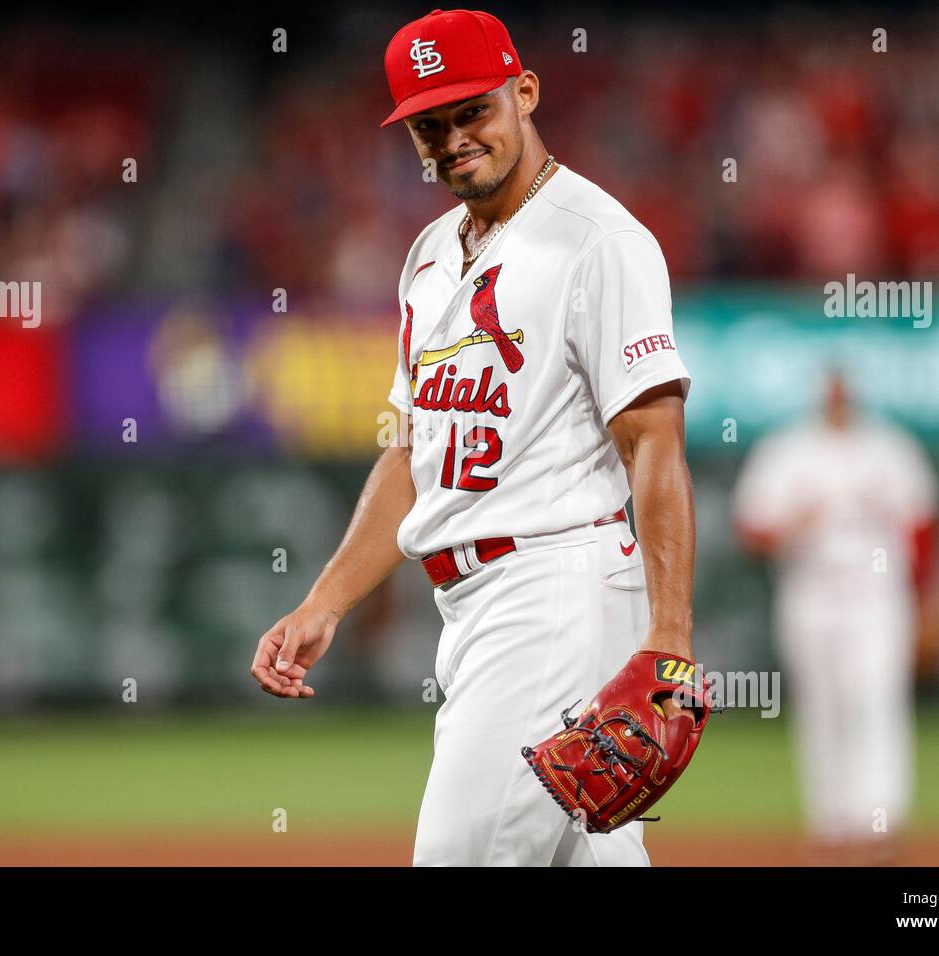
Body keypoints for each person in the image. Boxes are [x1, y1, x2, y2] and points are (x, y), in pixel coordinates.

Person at [251, 8, 699, 866]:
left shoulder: (599, 241)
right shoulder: (428, 255)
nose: (452, 138)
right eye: (429, 124)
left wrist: (670, 641)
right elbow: (410, 451)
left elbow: (654, 443)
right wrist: (325, 602)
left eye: (471, 111)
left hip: (554, 592)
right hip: (472, 606)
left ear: (525, 92)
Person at [732, 369, 939, 865]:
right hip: (809, 594)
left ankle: (880, 819)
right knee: (820, 706)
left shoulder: (887, 447)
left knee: (876, 698)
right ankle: (831, 823)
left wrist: (931, 596)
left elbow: (922, 525)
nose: (837, 399)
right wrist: (791, 526)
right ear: (821, 396)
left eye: (844, 391)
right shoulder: (788, 449)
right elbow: (750, 528)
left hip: (877, 596)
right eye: (831, 391)